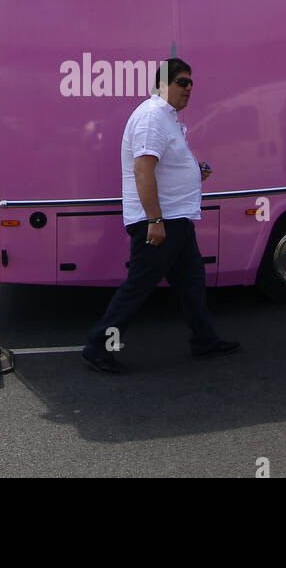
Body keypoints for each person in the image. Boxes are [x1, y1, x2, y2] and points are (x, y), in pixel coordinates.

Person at [82, 58, 238, 373]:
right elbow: (143, 169)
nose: (189, 88)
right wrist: (154, 220)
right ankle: (98, 347)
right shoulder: (152, 117)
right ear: (163, 85)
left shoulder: (168, 119)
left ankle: (205, 340)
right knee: (138, 286)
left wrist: (195, 171)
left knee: (192, 281)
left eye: (191, 83)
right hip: (159, 222)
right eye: (182, 82)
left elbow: (165, 165)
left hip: (177, 220)